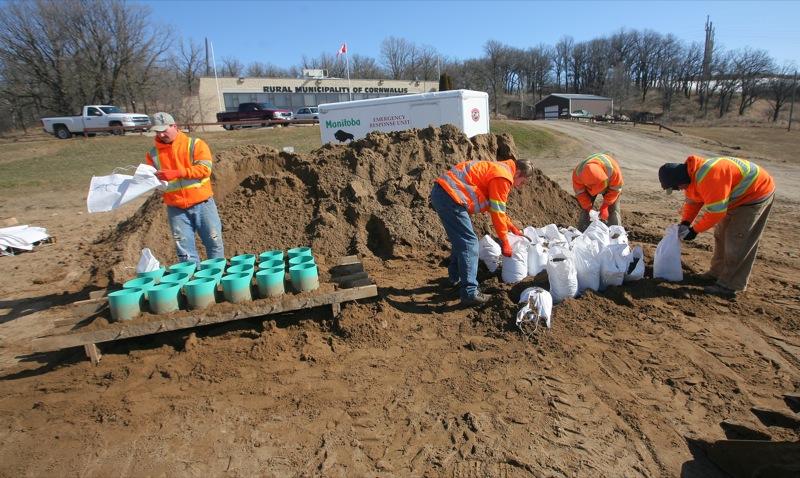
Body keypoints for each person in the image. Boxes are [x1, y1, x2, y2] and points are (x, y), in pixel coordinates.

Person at [658, 156, 775, 297]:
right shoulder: (691, 176)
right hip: (733, 197)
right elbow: (692, 203)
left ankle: (729, 285)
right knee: (720, 234)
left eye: (675, 187)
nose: (677, 190)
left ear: (680, 180)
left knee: (737, 238)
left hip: (755, 194)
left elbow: (716, 213)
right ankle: (716, 273)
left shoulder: (708, 177)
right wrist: (686, 223)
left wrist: (694, 230)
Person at [430, 158, 534, 305]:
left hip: (444, 193)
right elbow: (497, 212)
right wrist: (505, 242)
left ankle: (455, 278)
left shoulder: (500, 169)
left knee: (463, 239)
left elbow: (497, 209)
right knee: (470, 242)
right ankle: (470, 293)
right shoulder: (503, 177)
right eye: (521, 182)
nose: (518, 187)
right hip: (450, 197)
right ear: (517, 172)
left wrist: (512, 227)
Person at [146, 112, 225, 266]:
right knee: (184, 251)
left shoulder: (195, 145)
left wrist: (178, 173)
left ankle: (217, 278)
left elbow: (204, 170)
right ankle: (195, 284)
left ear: (174, 126)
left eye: (164, 130)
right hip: (176, 208)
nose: (161, 135)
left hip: (203, 204)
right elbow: (150, 178)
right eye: (157, 132)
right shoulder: (153, 154)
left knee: (214, 242)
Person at [572, 153, 624, 232]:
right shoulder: (577, 174)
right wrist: (588, 208)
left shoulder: (613, 170)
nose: (595, 188)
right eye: (591, 184)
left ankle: (616, 236)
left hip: (609, 186)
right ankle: (582, 235)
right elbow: (580, 193)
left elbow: (615, 189)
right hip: (588, 189)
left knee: (613, 210)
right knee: (585, 211)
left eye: (595, 184)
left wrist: (606, 205)